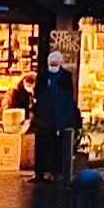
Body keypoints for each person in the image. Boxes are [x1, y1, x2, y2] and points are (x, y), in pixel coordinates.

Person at [30, 52, 80, 183]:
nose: (53, 65)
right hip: (44, 117)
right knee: (42, 144)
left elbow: (69, 97)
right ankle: (40, 172)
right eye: (52, 63)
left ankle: (56, 171)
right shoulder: (43, 76)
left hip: (59, 115)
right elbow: (37, 94)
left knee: (58, 145)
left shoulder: (65, 76)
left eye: (55, 63)